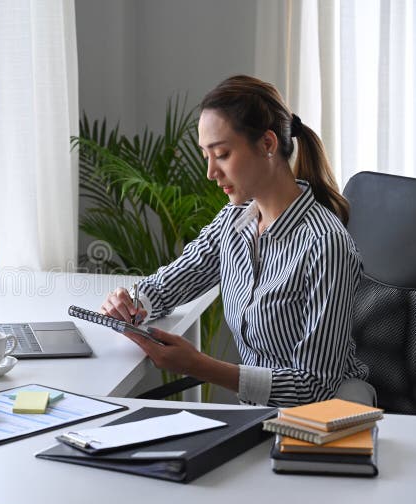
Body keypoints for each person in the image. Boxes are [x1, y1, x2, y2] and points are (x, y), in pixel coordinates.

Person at [101, 75, 374, 407]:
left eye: (222, 154)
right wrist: (130, 303)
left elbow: (314, 386)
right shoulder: (234, 222)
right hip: (256, 415)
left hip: (317, 420)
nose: (210, 172)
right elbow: (167, 286)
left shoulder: (325, 244)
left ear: (268, 144)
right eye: (206, 155)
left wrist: (198, 365)